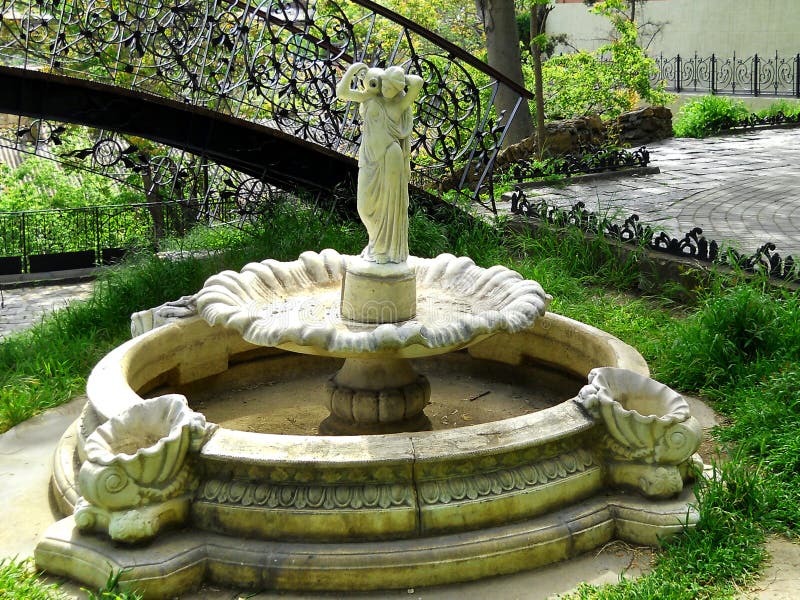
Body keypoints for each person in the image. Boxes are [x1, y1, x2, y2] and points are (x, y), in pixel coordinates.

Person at [336, 63, 423, 264]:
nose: (387, 91)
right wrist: (354, 69)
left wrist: (396, 78)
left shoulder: (398, 104)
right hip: (369, 157)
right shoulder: (369, 98)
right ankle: (376, 243)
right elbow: (342, 93)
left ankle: (385, 250)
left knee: (390, 206)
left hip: (390, 156)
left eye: (392, 89)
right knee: (365, 208)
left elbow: (417, 82)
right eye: (385, 86)